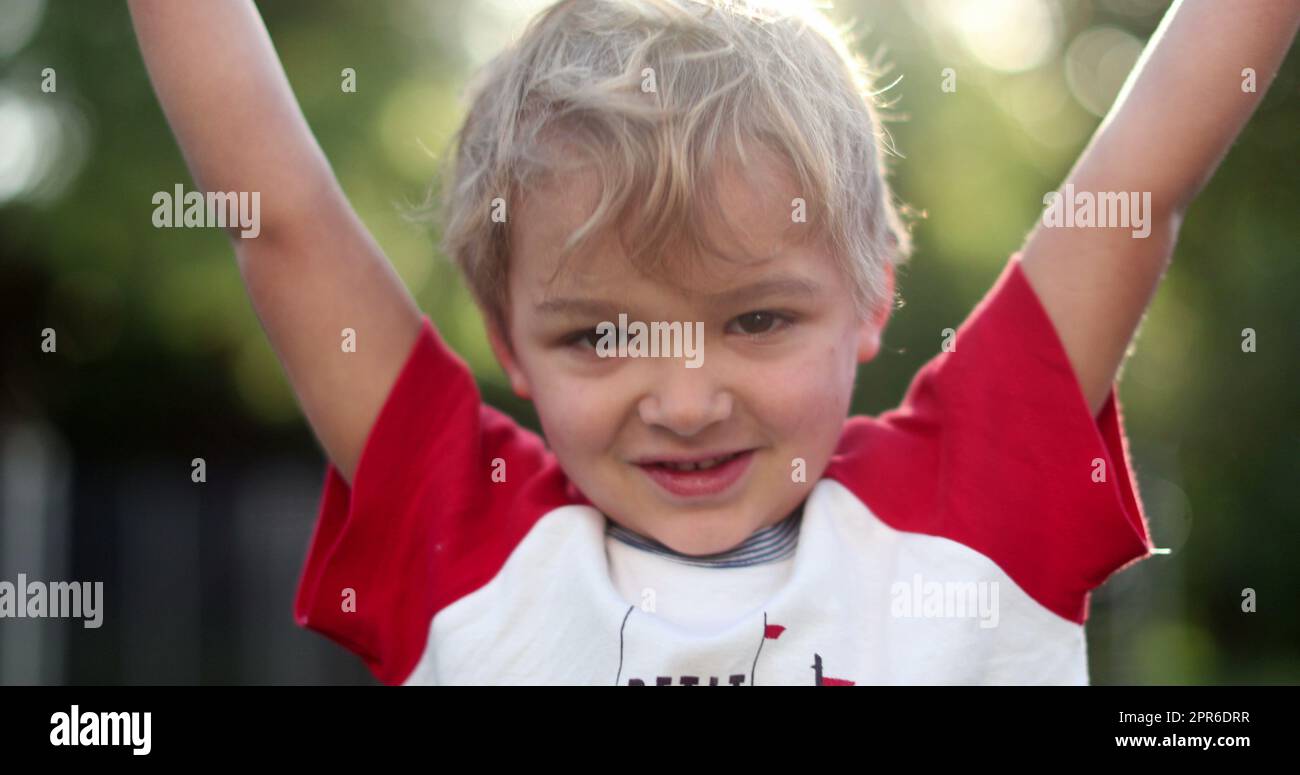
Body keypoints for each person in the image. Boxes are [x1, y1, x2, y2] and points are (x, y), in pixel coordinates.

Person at [128, 0, 1299, 684]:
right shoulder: (467, 531)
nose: (685, 400)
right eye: (600, 336)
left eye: (756, 320)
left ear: (872, 294)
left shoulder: (966, 502)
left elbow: (1145, 176)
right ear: (509, 345)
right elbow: (275, 213)